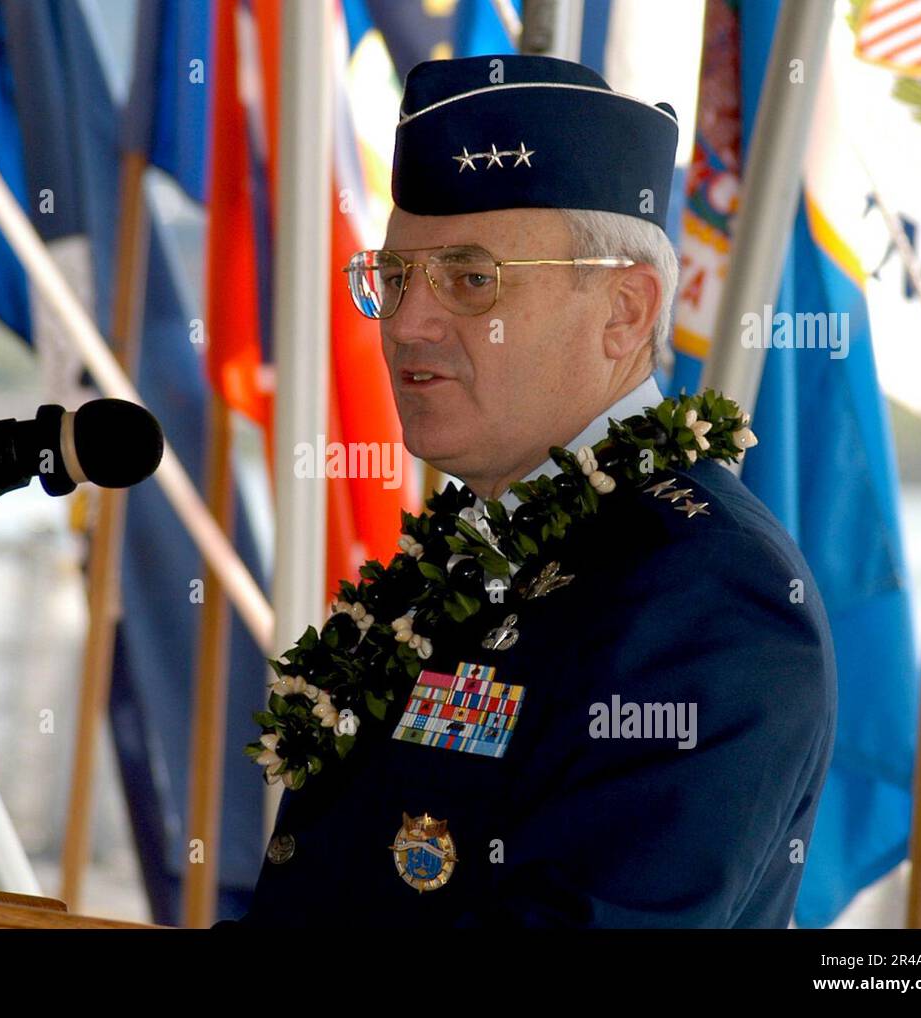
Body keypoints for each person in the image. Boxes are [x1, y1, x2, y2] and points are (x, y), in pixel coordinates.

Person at [234, 54, 836, 927]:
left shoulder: (709, 591)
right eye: (394, 278)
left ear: (625, 311)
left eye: (471, 279)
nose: (407, 324)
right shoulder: (472, 556)